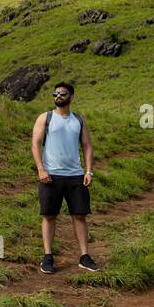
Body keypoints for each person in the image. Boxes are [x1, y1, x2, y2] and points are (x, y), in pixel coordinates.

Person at [31, 82, 99, 274]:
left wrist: (89, 171)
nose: (58, 96)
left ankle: (85, 257)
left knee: (79, 215)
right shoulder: (45, 117)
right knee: (49, 216)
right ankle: (47, 257)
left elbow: (87, 145)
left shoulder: (79, 119)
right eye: (56, 93)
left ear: (71, 96)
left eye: (63, 93)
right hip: (50, 175)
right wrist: (41, 169)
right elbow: (35, 144)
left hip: (76, 175)